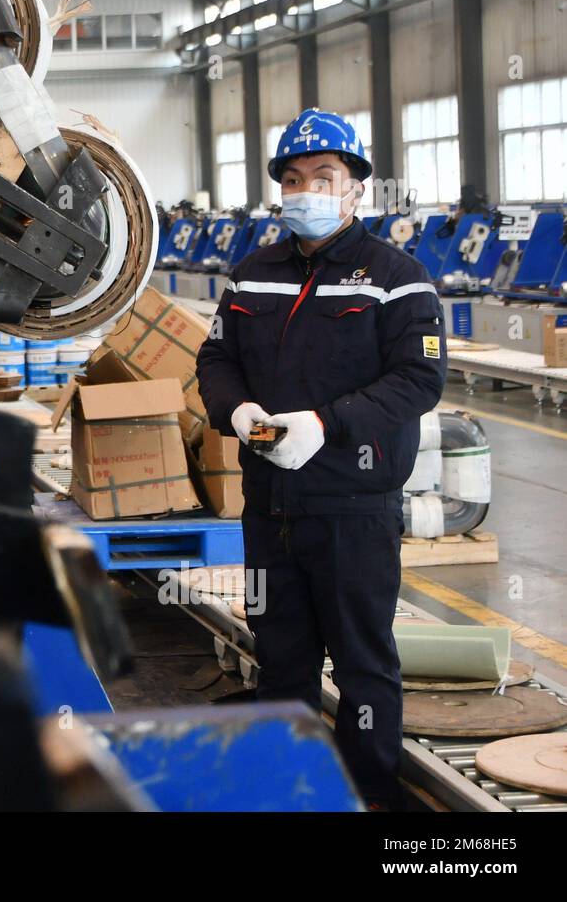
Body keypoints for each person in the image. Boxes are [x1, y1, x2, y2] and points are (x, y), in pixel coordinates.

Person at [196, 108, 447, 810]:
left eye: (325, 177)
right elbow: (215, 357)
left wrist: (326, 424)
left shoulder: (398, 277)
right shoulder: (253, 274)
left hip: (353, 513)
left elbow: (419, 379)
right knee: (280, 659)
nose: (307, 190)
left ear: (356, 189)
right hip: (269, 508)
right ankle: (289, 791)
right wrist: (237, 409)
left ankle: (367, 795)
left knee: (364, 670)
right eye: (295, 178)